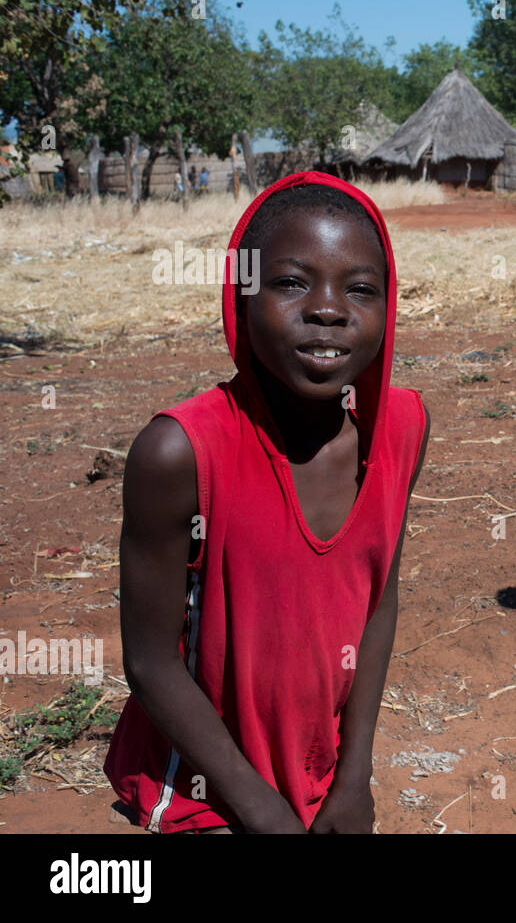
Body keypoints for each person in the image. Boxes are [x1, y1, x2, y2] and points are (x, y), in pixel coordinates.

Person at [104, 172, 430, 833]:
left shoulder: (403, 426)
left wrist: (355, 774)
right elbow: (149, 661)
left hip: (318, 772)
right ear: (241, 299)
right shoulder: (180, 452)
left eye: (360, 289)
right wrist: (258, 810)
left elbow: (379, 600)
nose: (329, 308)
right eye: (290, 282)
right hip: (201, 782)